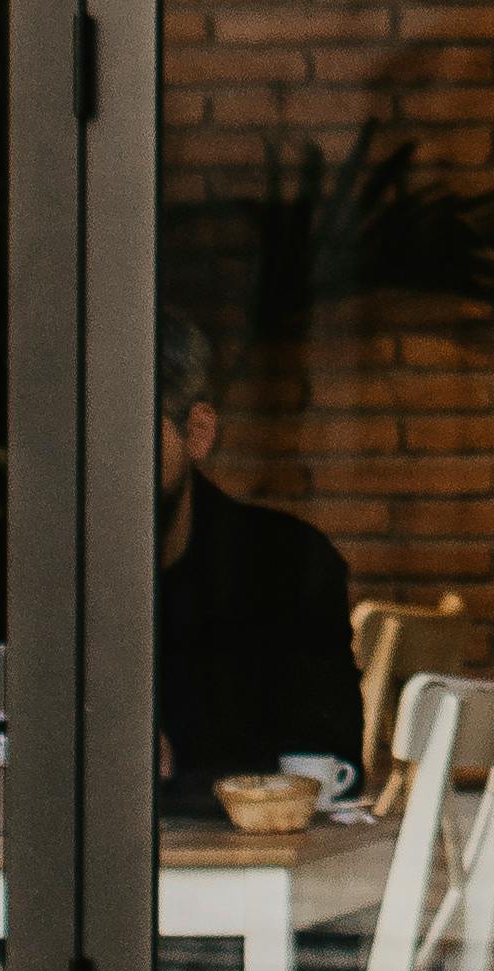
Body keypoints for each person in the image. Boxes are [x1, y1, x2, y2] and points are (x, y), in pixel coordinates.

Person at [146, 310, 362, 792]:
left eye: (125, 434)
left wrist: (174, 772)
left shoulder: (286, 565)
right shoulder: (8, 565)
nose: (99, 462)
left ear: (197, 432)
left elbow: (330, 766)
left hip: (233, 862)